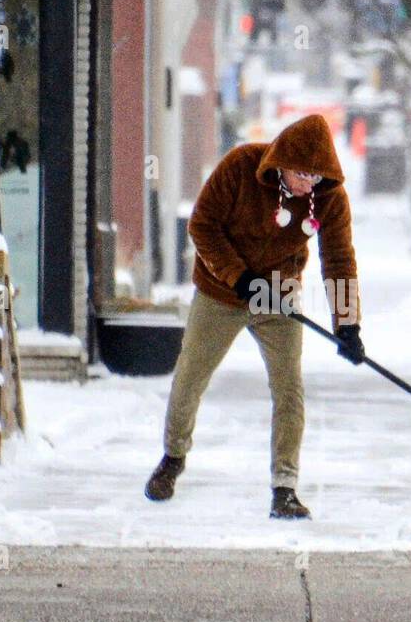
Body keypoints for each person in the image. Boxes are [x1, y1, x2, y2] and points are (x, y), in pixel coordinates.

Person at [144, 114, 365, 519]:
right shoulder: (241, 167)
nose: (307, 185)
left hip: (277, 296)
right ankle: (172, 458)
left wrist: (347, 324)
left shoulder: (328, 198)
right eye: (301, 174)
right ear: (282, 160)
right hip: (221, 290)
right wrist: (238, 277)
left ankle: (285, 486)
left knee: (289, 390)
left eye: (316, 177)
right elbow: (202, 226)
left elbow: (338, 259)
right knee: (191, 374)